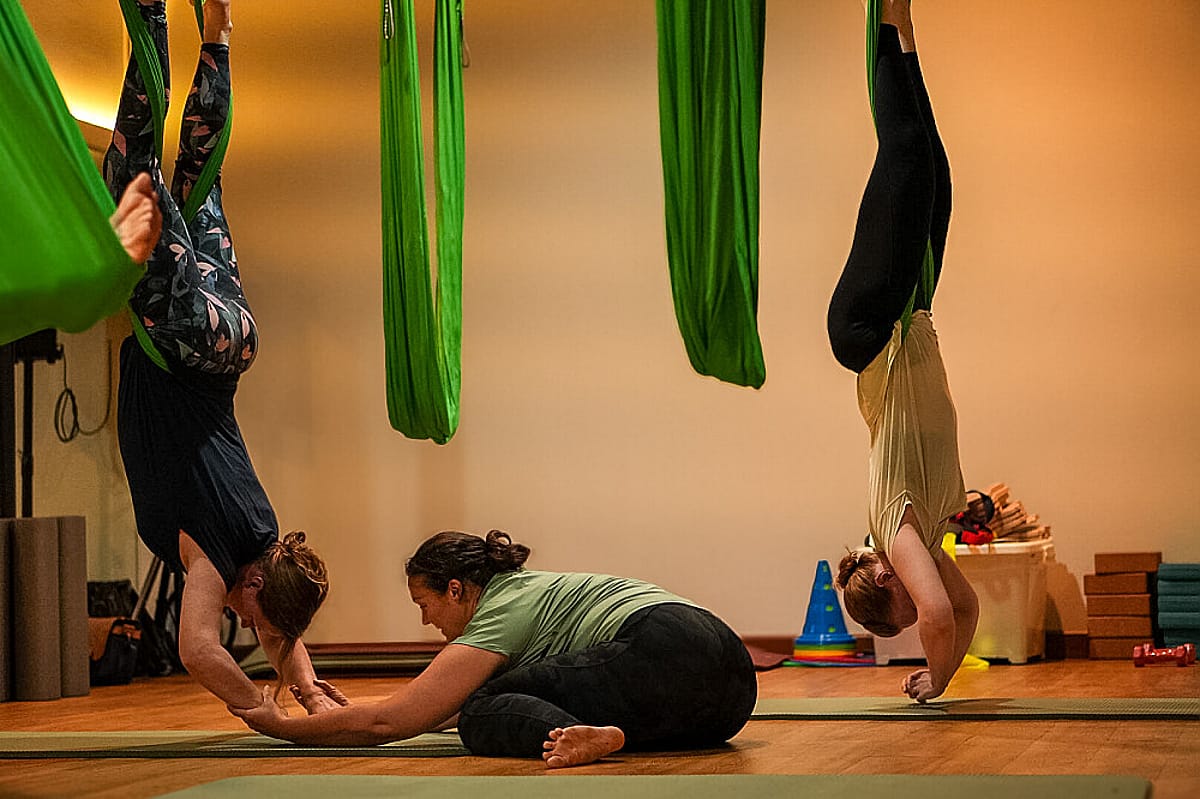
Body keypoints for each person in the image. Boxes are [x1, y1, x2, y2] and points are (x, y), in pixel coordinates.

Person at [105, 0, 342, 714]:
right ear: (251, 587)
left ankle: (219, 35)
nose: (247, 624)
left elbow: (279, 616)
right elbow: (197, 650)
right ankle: (147, 14)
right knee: (132, 162)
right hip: (177, 336)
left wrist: (308, 686)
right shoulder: (213, 557)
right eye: (253, 616)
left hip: (230, 339)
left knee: (199, 175)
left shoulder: (269, 536)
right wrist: (262, 709)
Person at [233, 530, 758, 768]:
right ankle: (602, 734)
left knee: (480, 711)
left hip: (668, 651)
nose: (425, 620)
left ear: (456, 589)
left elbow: (388, 725)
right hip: (729, 694)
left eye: (425, 603)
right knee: (483, 699)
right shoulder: (528, 592)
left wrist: (281, 727)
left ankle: (579, 736)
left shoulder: (501, 610)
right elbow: (425, 710)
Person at [827, 0, 979, 703]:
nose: (924, 600)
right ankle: (903, 28)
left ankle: (885, 16)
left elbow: (943, 617)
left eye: (906, 606)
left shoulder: (895, 520)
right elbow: (965, 609)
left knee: (907, 155)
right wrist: (940, 666)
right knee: (936, 170)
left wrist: (934, 682)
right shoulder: (932, 525)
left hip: (866, 329)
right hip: (908, 312)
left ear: (887, 576)